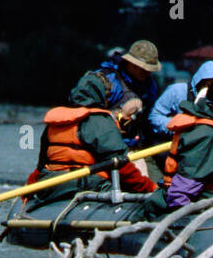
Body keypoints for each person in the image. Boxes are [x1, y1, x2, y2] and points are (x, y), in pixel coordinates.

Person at [25, 71, 157, 207]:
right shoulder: (99, 121)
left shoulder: (54, 123)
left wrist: (26, 193)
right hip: (85, 185)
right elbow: (123, 168)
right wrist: (151, 188)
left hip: (50, 186)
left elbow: (41, 168)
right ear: (101, 95)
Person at [131, 83, 213, 218]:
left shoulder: (203, 126)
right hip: (193, 203)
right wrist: (180, 220)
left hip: (201, 199)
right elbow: (182, 190)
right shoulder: (208, 135)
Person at [92, 39, 162, 148]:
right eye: (143, 69)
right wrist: (120, 115)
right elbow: (87, 118)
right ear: (131, 64)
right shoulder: (105, 80)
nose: (147, 73)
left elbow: (148, 120)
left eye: (149, 70)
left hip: (134, 145)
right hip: (101, 144)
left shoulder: (150, 85)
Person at [148, 61, 213, 141]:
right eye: (206, 84)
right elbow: (154, 116)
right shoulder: (177, 91)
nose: (208, 89)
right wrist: (177, 126)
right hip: (170, 144)